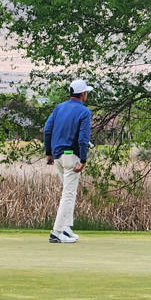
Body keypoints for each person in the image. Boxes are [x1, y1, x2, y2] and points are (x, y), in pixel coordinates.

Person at [44, 78, 93, 243]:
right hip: (72, 157)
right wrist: (84, 159)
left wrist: (48, 153)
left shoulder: (59, 108)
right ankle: (56, 233)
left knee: (67, 192)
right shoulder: (84, 112)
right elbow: (83, 138)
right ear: (83, 94)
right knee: (69, 194)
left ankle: (66, 228)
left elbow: (47, 130)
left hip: (57, 156)